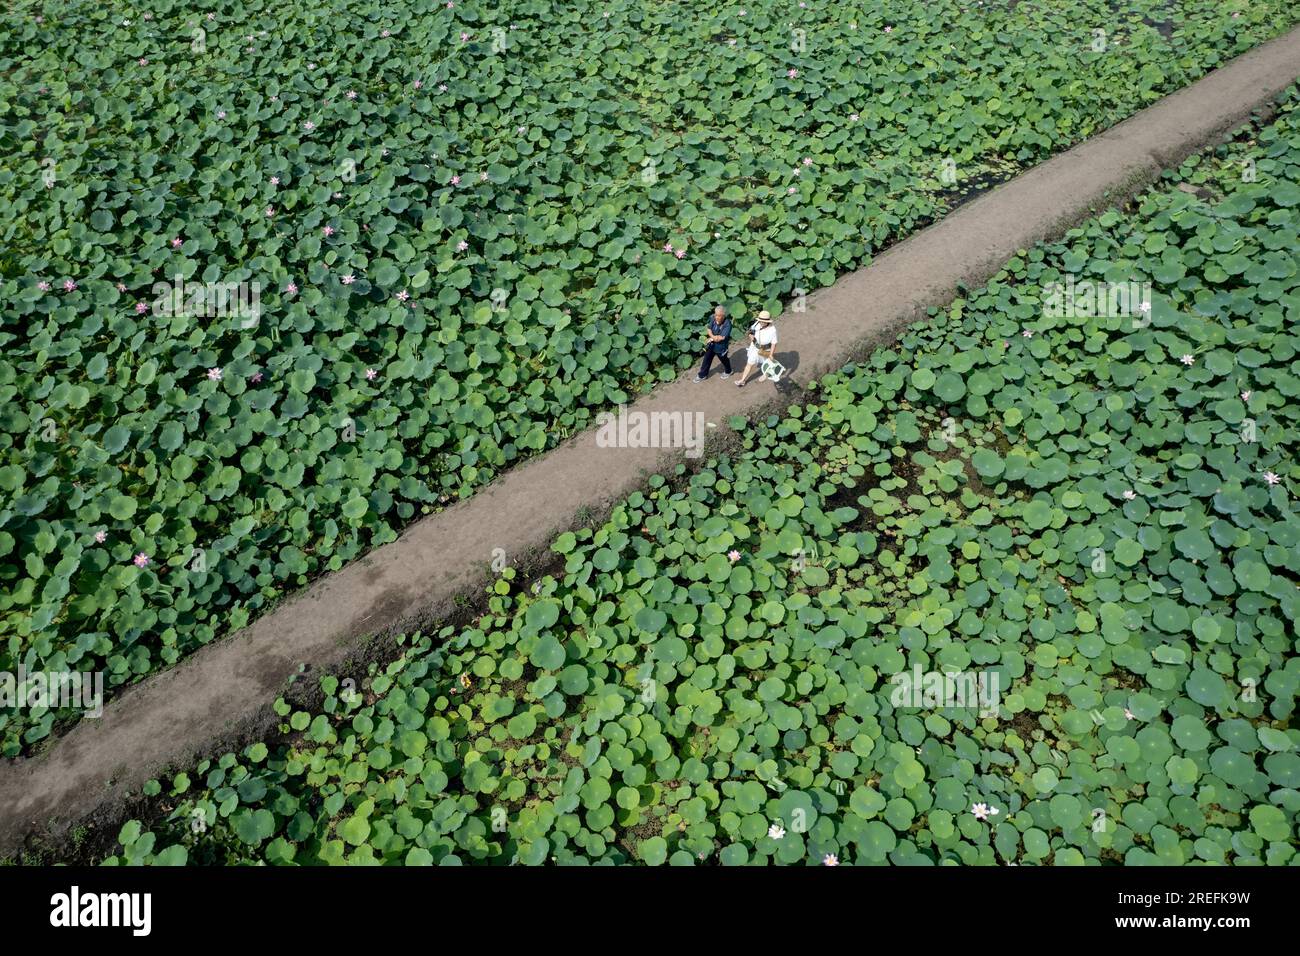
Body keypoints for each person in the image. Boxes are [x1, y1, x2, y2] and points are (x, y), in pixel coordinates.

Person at [737, 311, 778, 387]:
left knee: (767, 363)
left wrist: (771, 354)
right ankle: (742, 380)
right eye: (760, 321)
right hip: (756, 347)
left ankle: (766, 374)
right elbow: (750, 332)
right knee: (749, 363)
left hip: (766, 349)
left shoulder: (772, 330)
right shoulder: (756, 324)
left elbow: (774, 343)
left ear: (767, 322)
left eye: (763, 321)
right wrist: (751, 336)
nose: (761, 322)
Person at [694, 304, 732, 382]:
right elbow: (708, 329)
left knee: (724, 360)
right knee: (707, 358)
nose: (717, 317)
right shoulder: (713, 318)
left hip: (721, 346)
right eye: (716, 315)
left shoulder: (727, 324)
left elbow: (720, 338)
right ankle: (702, 375)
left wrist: (711, 338)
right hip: (712, 344)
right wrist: (712, 337)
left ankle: (729, 371)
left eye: (719, 316)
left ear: (723, 316)